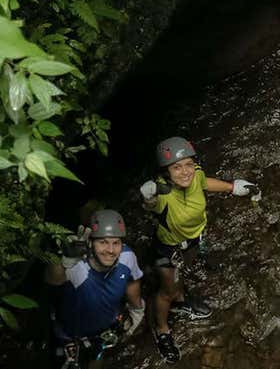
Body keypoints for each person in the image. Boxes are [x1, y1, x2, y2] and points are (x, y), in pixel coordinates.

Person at [139, 137, 257, 364]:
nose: (185, 172)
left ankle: (182, 299)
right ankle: (163, 331)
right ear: (165, 172)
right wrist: (149, 198)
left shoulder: (196, 174)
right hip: (169, 249)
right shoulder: (163, 194)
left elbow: (203, 181)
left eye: (188, 164)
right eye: (176, 167)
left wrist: (232, 187)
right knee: (167, 291)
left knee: (181, 277)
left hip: (192, 241)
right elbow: (152, 205)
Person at [46, 209, 145, 369]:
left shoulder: (127, 257)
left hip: (103, 333)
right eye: (103, 242)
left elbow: (132, 282)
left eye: (116, 243)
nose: (111, 250)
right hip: (70, 335)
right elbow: (53, 279)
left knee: (97, 359)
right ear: (90, 243)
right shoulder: (75, 266)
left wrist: (137, 309)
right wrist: (63, 261)